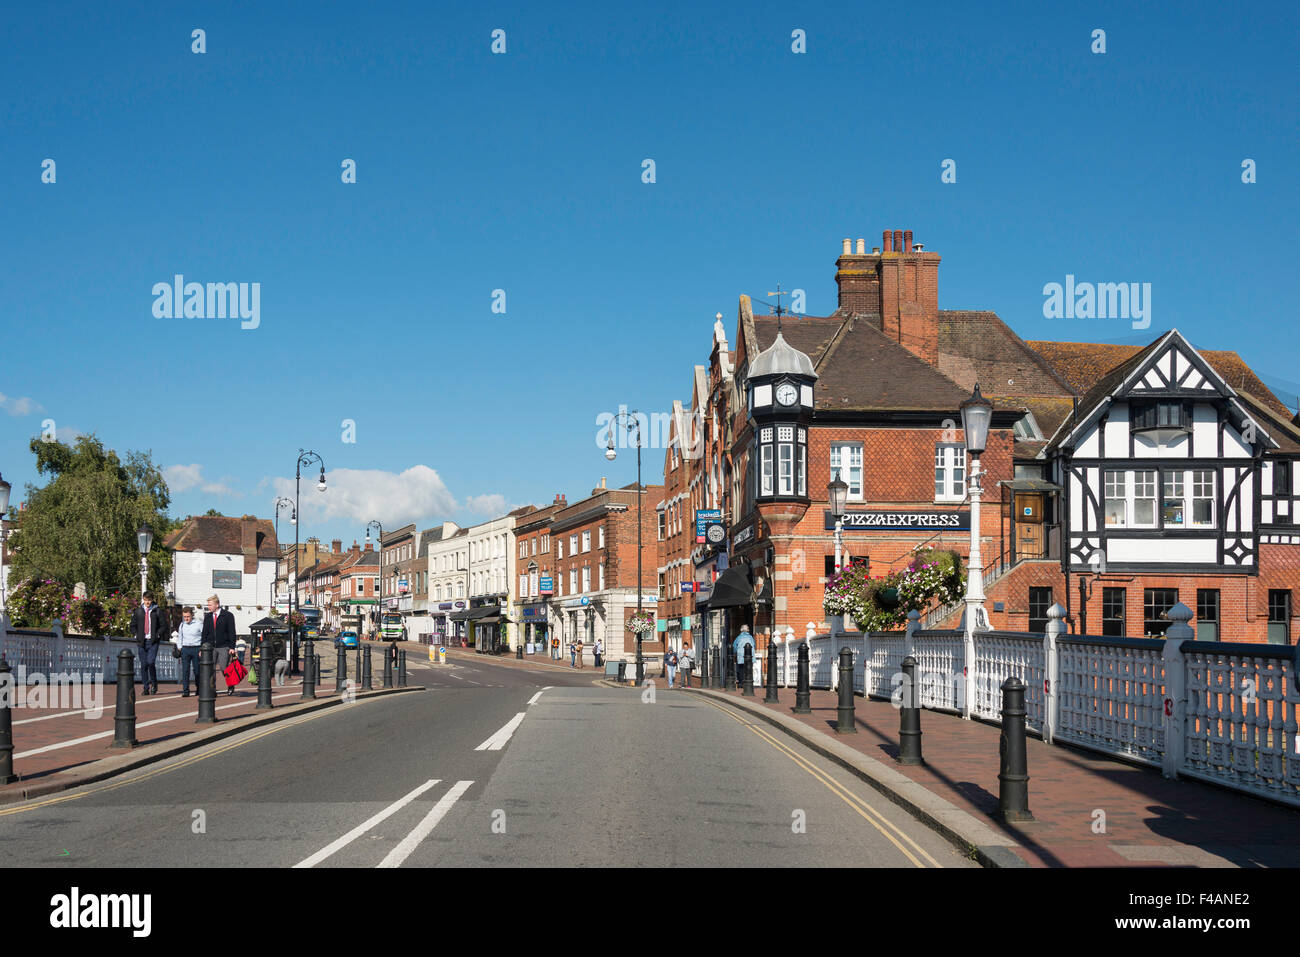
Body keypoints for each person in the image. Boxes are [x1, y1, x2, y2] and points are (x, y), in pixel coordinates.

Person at [132, 590, 167, 695]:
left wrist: (157, 635)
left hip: (153, 641)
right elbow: (132, 625)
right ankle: (146, 687)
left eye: (149, 600)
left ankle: (154, 684)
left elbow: (163, 625)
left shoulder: (157, 611)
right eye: (146, 600)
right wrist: (136, 635)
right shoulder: (138, 611)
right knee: (143, 665)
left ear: (152, 600)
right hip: (141, 641)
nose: (147, 602)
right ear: (143, 599)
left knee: (151, 662)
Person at [202, 595, 237, 695]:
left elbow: (232, 632)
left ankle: (231, 685)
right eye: (208, 605)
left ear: (217, 605)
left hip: (224, 646)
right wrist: (202, 648)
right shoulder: (208, 616)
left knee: (223, 667)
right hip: (210, 647)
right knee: (210, 668)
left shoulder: (228, 615)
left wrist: (232, 647)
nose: (208, 607)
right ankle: (212, 689)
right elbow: (204, 633)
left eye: (210, 605)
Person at [172, 606, 204, 696]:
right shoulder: (182, 624)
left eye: (188, 616)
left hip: (196, 648)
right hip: (185, 649)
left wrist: (201, 649)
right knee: (185, 671)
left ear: (192, 615)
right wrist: (179, 647)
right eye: (184, 617)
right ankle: (185, 691)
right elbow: (180, 637)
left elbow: (204, 636)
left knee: (197, 671)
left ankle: (199, 689)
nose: (186, 618)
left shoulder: (199, 624)